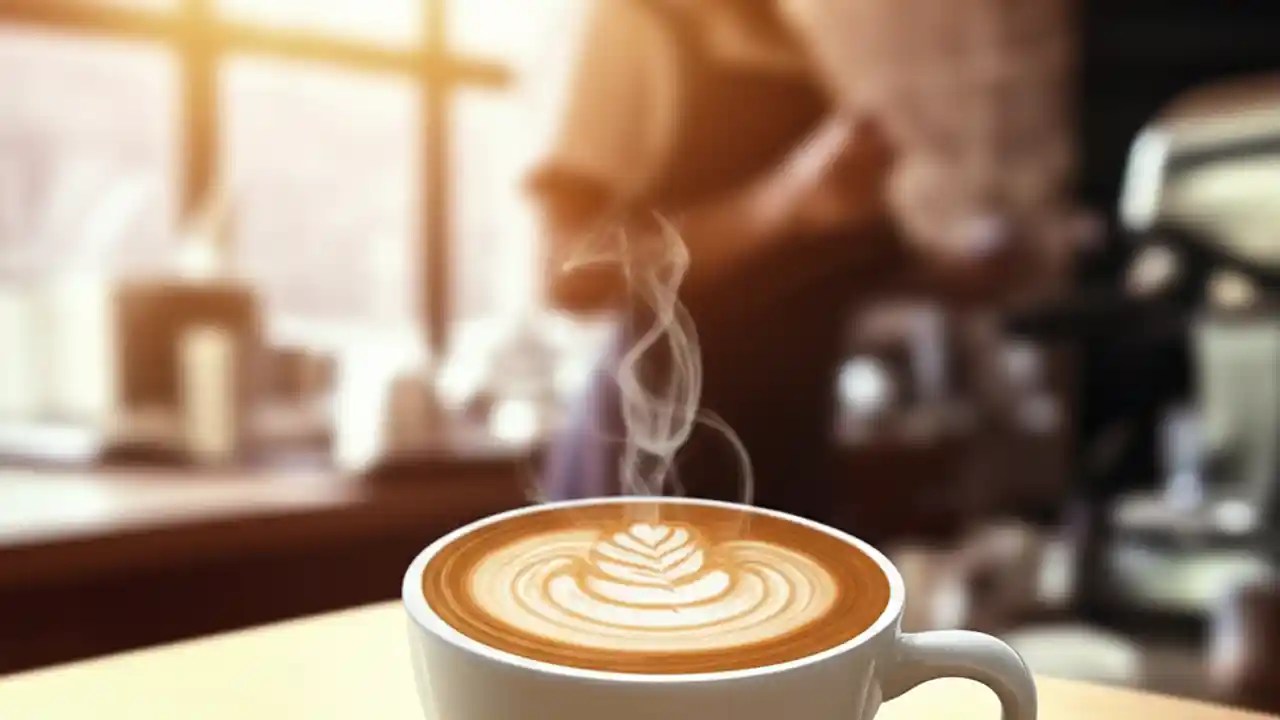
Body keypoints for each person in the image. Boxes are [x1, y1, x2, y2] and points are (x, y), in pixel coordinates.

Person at [530, 0, 1071, 523]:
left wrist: (961, 275)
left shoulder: (791, 45)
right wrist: (784, 202)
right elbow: (570, 267)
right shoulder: (636, 22)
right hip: (656, 467)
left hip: (787, 455)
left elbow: (825, 263)